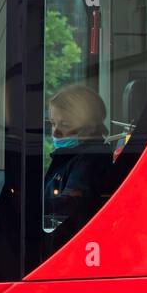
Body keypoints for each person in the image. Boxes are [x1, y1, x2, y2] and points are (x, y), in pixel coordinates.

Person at [44, 83, 112, 227]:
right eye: (53, 123)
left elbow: (69, 204)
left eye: (65, 125)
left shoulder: (90, 160)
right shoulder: (69, 155)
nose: (55, 132)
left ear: (90, 126)